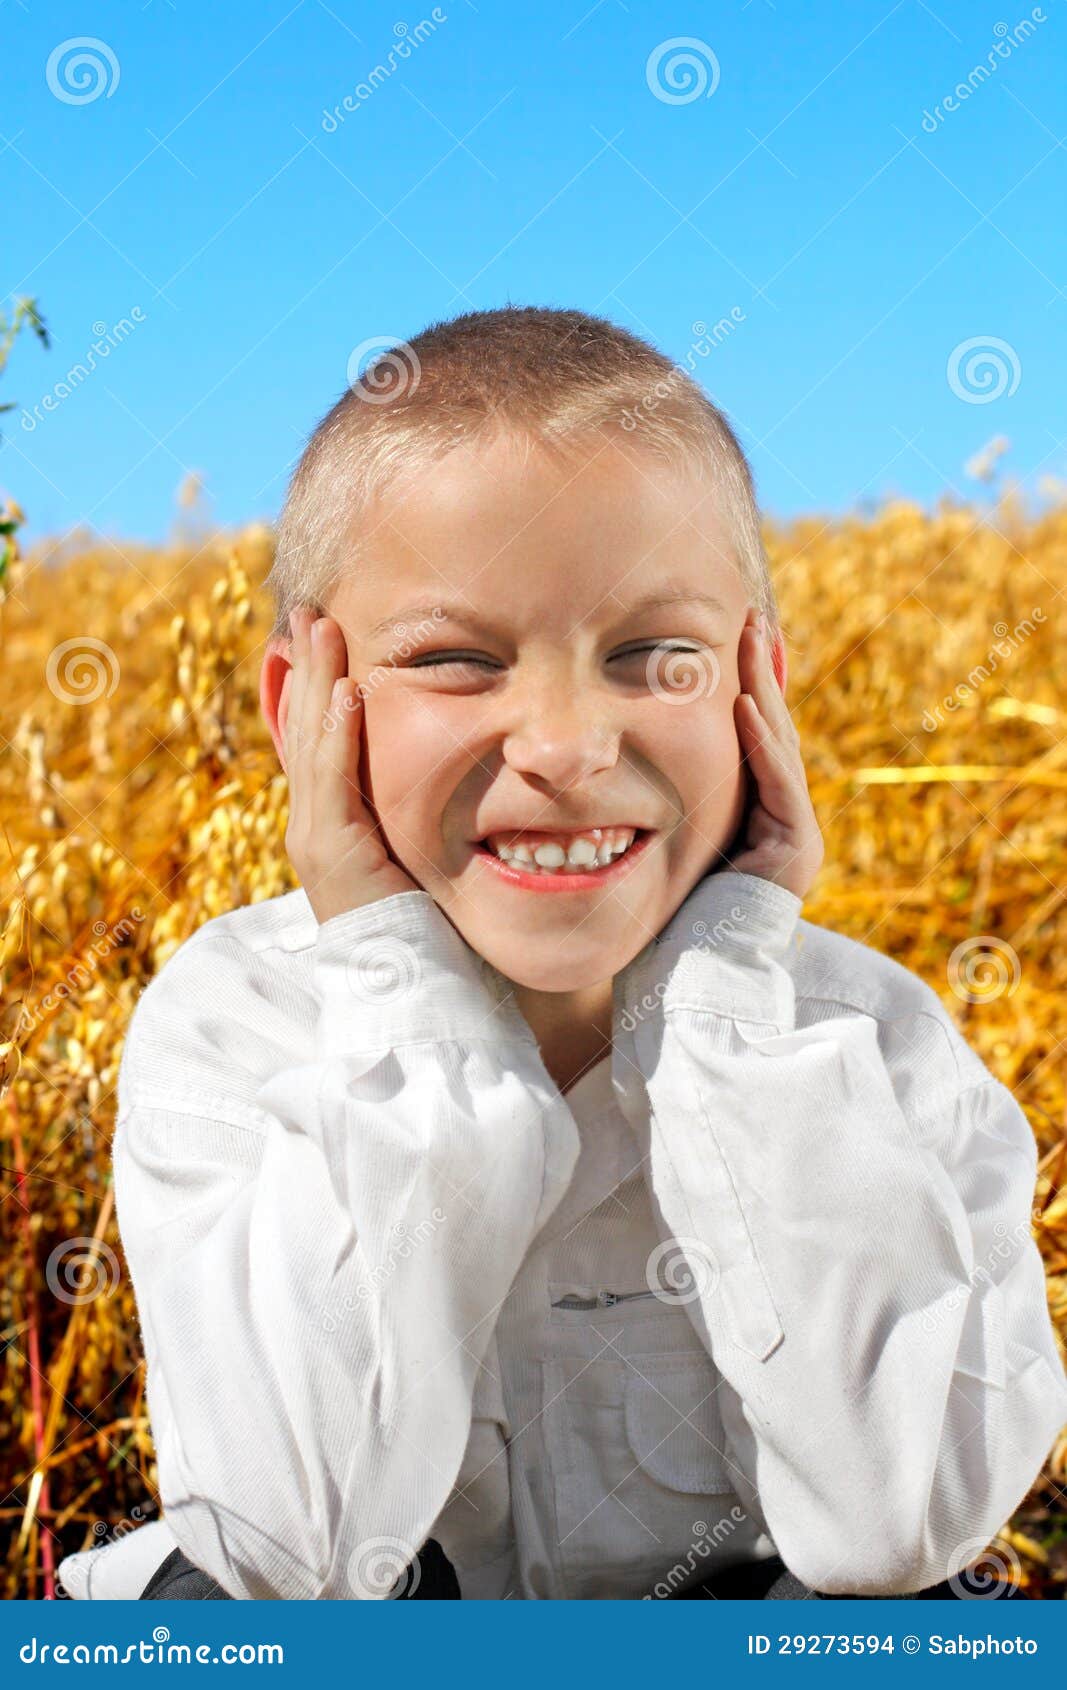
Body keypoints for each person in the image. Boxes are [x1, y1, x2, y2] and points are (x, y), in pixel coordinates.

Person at [57, 306, 1067, 1603]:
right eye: (457, 660)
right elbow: (289, 1556)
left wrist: (721, 1009)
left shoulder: (871, 1043)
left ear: (760, 687)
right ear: (305, 706)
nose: (569, 742)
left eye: (655, 655)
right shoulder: (233, 1027)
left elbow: (899, 1536)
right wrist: (397, 983)